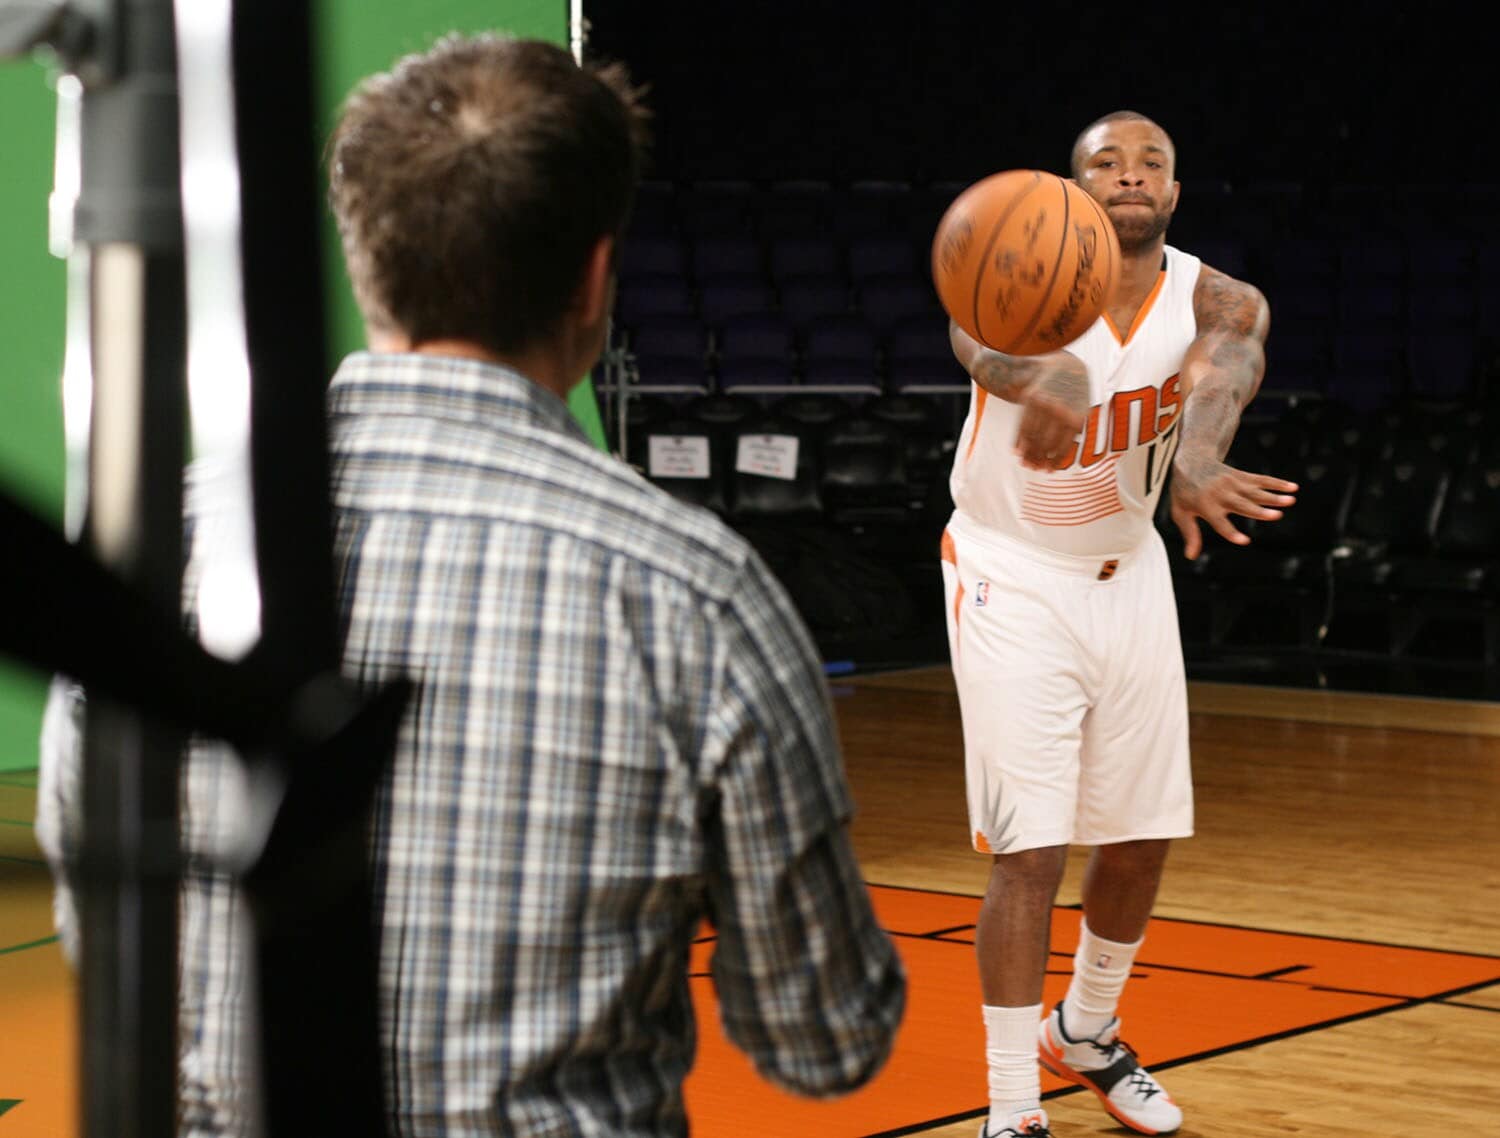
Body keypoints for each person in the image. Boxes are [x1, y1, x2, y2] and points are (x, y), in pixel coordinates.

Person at [37, 32, 904, 1136]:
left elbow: (107, 941)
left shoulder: (149, 555)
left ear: (367, 258)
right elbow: (823, 1037)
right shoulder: (698, 595)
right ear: (594, 276)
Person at [940, 110, 1296, 1138]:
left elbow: (1222, 375)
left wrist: (1197, 458)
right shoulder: (1020, 271)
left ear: (1174, 193)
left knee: (1141, 837)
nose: (1131, 175)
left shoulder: (1220, 297)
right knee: (1030, 848)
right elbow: (978, 340)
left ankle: (1087, 1031)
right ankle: (1013, 1106)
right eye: (1108, 161)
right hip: (1011, 572)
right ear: (1074, 189)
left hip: (1129, 571)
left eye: (1151, 164)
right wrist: (1037, 374)